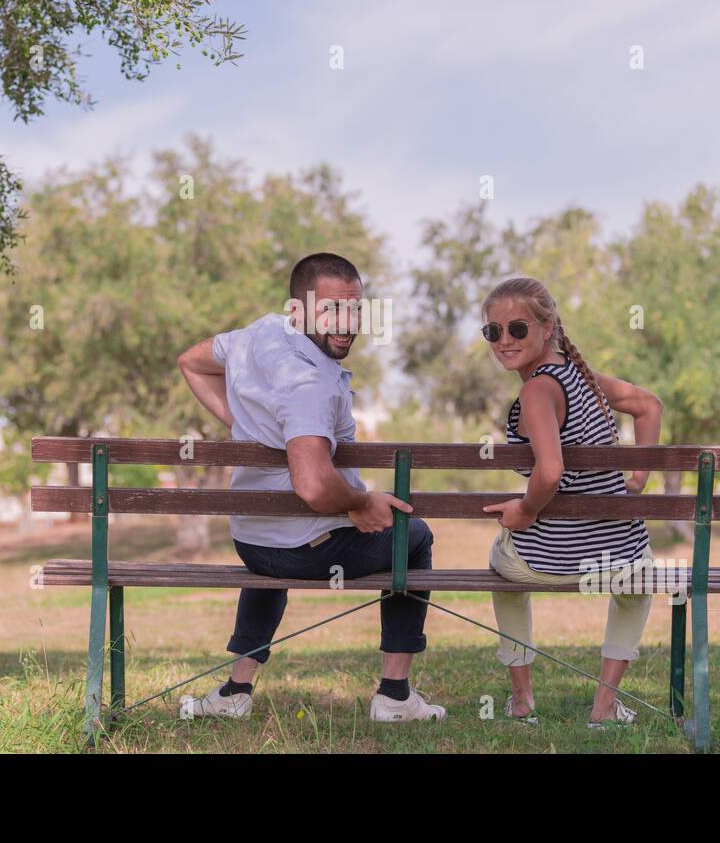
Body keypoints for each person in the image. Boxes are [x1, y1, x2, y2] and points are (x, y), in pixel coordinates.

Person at [175, 252, 445, 722]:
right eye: (331, 310)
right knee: (414, 536)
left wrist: (247, 426)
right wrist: (362, 502)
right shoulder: (310, 381)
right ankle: (396, 697)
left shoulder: (260, 333)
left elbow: (192, 363)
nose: (346, 323)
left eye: (355, 309)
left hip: (253, 543)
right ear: (299, 311)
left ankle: (235, 691)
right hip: (306, 549)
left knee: (280, 534)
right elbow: (315, 486)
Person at [478, 276, 663, 727]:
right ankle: (603, 707)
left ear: (548, 328)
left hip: (546, 562)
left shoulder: (537, 389)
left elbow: (550, 471)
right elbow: (650, 406)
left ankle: (522, 701)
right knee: (641, 578)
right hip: (618, 561)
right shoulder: (586, 379)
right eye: (493, 331)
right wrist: (636, 480)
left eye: (517, 329)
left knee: (502, 568)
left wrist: (524, 510)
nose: (504, 340)